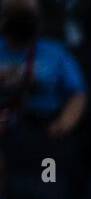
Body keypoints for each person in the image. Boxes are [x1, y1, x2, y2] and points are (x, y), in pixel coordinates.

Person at [0, 0, 85, 141]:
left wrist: (62, 124)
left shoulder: (55, 52)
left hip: (43, 127)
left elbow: (77, 94)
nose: (22, 21)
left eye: (27, 15)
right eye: (15, 14)